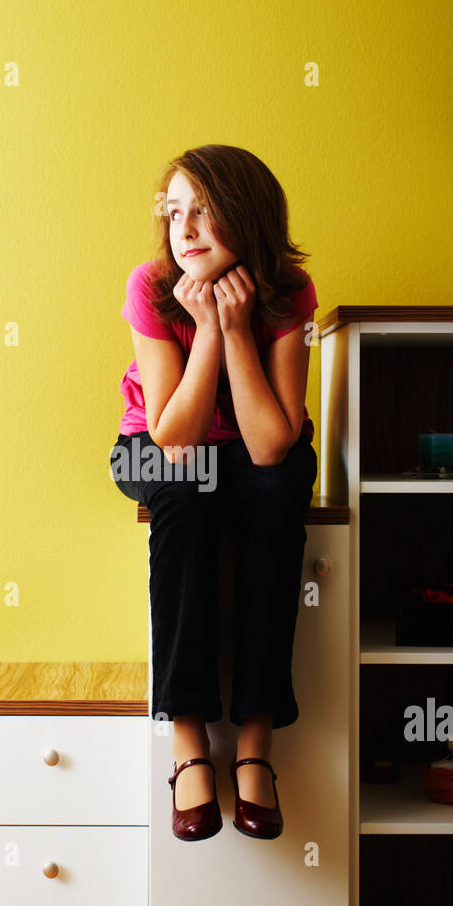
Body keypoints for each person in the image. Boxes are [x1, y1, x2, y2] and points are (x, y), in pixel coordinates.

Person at [109, 144, 318, 842]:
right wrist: (205, 330)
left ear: (247, 214)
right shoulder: (151, 286)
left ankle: (256, 739)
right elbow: (172, 440)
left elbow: (268, 445)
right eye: (174, 213)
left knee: (276, 490)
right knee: (182, 491)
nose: (185, 227)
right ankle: (188, 740)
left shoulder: (288, 292)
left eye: (203, 210)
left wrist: (236, 328)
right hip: (163, 439)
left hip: (257, 445)